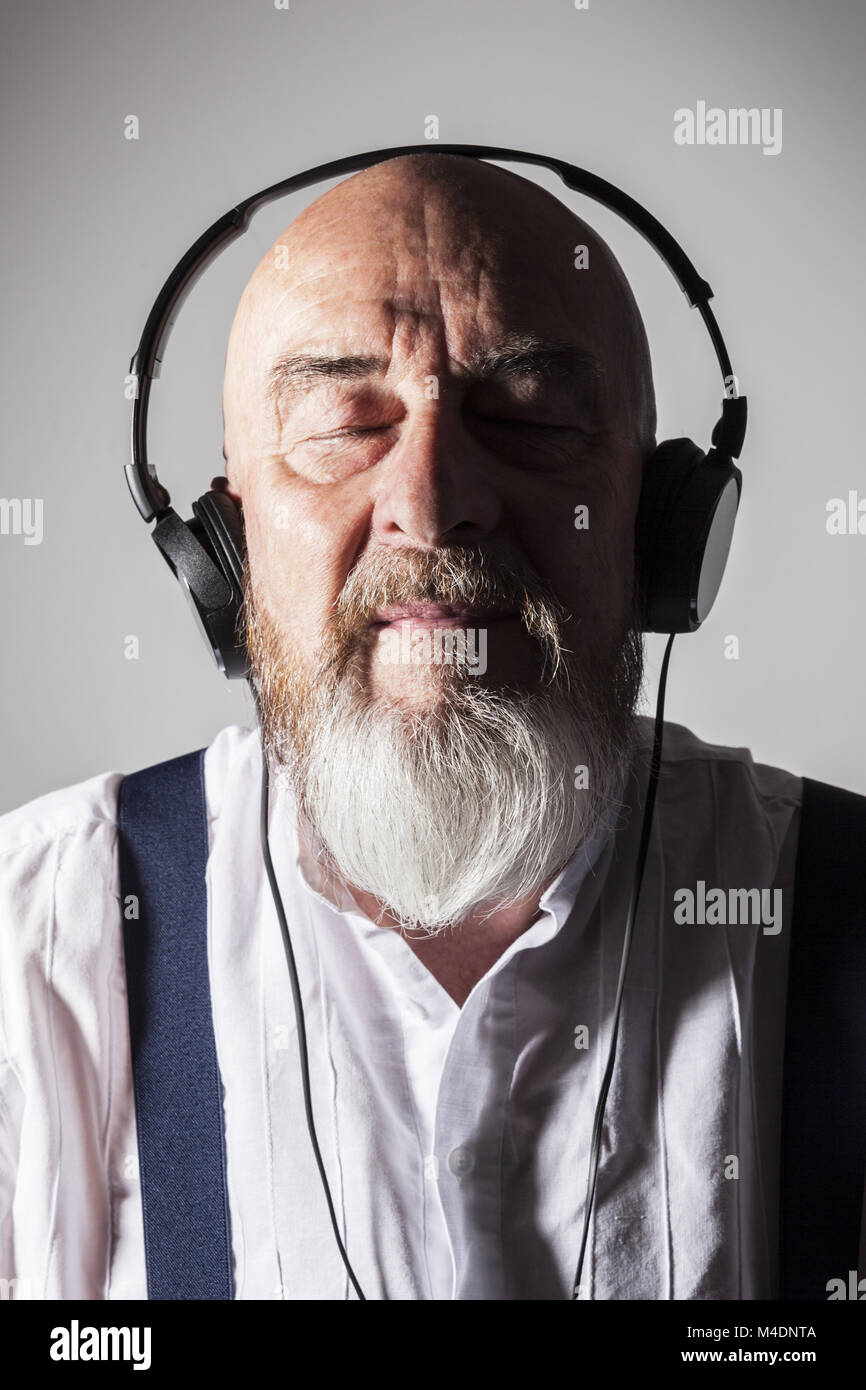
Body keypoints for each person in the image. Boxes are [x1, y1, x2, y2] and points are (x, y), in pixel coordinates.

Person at [0, 154, 860, 1300]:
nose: (433, 495)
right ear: (222, 549)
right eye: (344, 421)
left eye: (531, 417)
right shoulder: (34, 954)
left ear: (661, 528)